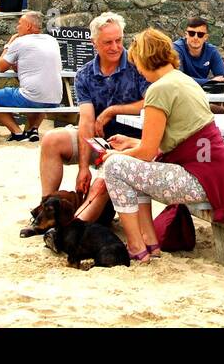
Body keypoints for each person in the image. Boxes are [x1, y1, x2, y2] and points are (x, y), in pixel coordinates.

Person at [101, 29, 224, 262]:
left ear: (144, 59)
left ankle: (136, 245)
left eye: (137, 63)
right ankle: (149, 242)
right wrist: (133, 144)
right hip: (216, 175)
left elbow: (148, 152)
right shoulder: (183, 81)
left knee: (114, 167)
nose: (138, 70)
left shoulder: (158, 90)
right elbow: (180, 139)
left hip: (200, 180)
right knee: (131, 166)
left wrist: (113, 155)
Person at [30, 13, 147, 230]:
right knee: (51, 140)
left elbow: (150, 102)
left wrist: (112, 111)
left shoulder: (137, 65)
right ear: (94, 43)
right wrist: (83, 167)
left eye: (119, 40)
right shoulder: (84, 74)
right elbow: (86, 121)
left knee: (101, 187)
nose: (115, 47)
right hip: (99, 140)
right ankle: (45, 209)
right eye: (108, 42)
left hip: (132, 140)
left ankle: (78, 221)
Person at [0, 11, 62, 142]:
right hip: (55, 99)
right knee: (39, 93)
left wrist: (9, 43)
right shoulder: (52, 40)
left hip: (33, 97)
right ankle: (32, 129)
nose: (17, 27)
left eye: (19, 24)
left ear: (28, 26)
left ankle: (17, 133)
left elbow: (0, 67)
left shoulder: (20, 42)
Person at [171, 17, 224, 85]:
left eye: (200, 34)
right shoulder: (176, 49)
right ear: (186, 35)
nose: (195, 37)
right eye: (192, 33)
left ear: (205, 37)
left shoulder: (211, 51)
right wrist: (209, 81)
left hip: (203, 92)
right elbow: (178, 78)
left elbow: (223, 77)